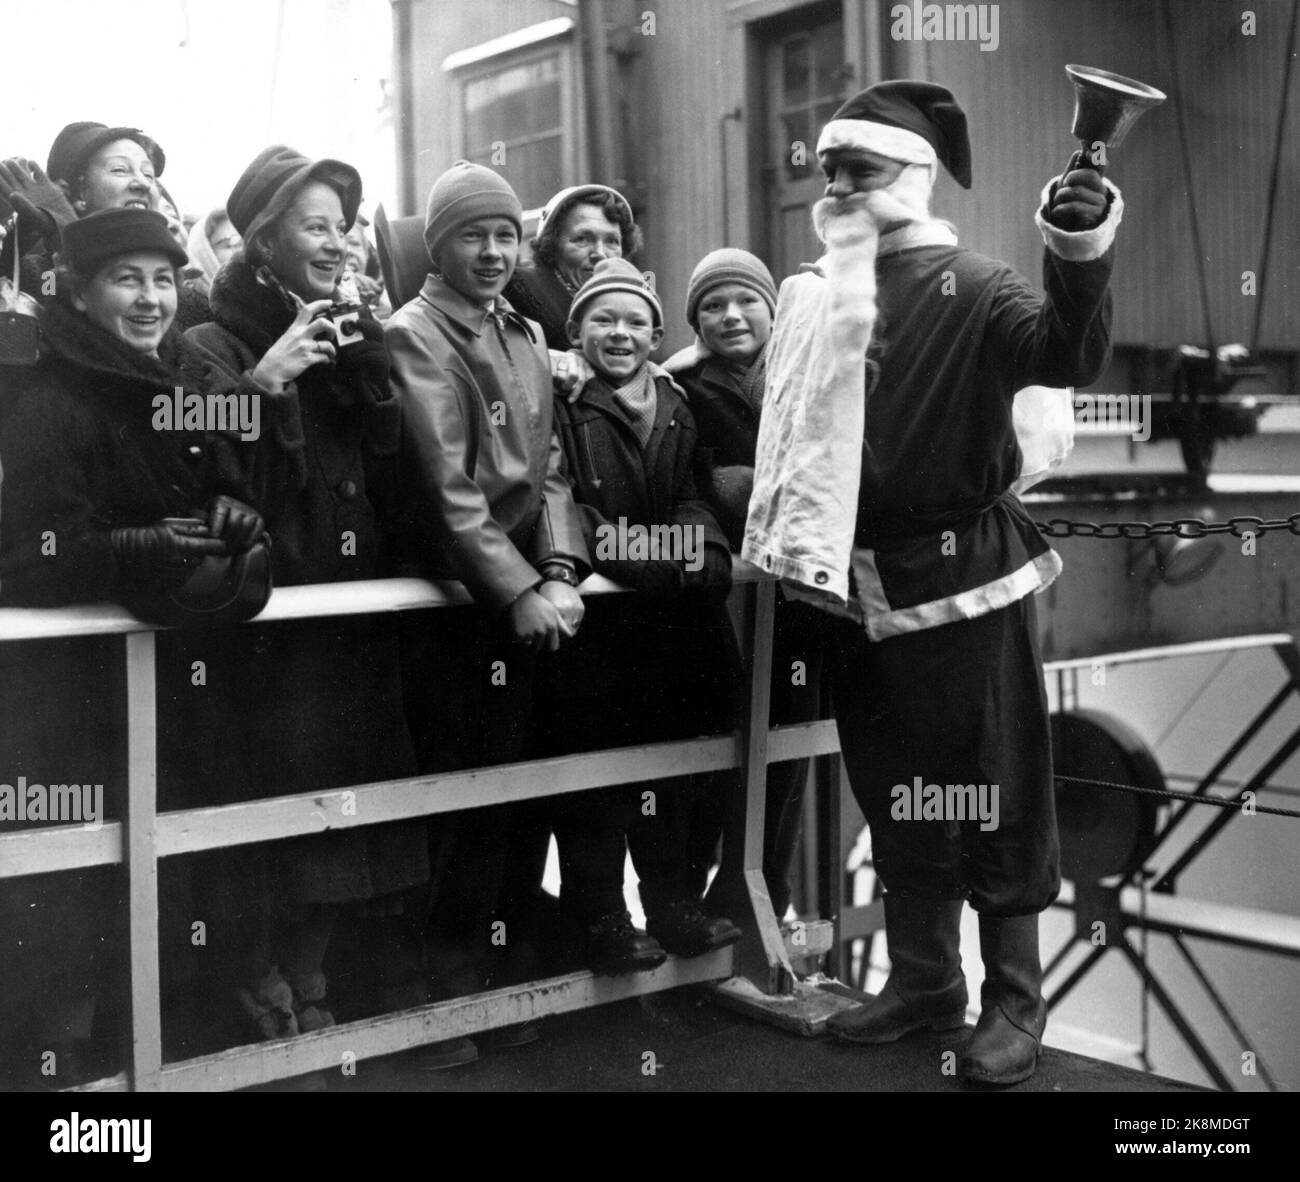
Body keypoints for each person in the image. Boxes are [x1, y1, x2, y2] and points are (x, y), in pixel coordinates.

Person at [744, 81, 1119, 1085]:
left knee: (994, 788)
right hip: (853, 592)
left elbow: (1062, 353)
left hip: (967, 587)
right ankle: (921, 986)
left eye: (855, 170)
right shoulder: (818, 293)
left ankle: (1014, 1004)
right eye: (827, 171)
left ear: (908, 179)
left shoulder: (979, 282)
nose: (834, 187)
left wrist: (1075, 253)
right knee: (895, 789)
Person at [0, 208, 261, 1084]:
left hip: (178, 682)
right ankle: (71, 1078)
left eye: (161, 278)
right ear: (78, 290)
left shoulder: (187, 377)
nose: (150, 299)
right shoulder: (45, 398)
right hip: (72, 697)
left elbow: (232, 478)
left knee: (172, 873)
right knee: (77, 884)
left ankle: (161, 1052)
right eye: (125, 280)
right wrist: (135, 549)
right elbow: (27, 561)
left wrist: (236, 510)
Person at [183, 145, 429, 1044]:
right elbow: (200, 480)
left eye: (345, 226)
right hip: (269, 634)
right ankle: (257, 985)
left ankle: (313, 975)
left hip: (351, 622)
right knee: (271, 823)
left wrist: (375, 378)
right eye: (314, 226)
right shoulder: (207, 340)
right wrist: (263, 386)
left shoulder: (352, 330)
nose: (338, 244)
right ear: (260, 242)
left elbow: (396, 480)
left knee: (349, 820)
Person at [385, 161, 589, 1063]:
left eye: (507, 234)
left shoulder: (525, 331)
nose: (496, 251)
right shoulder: (417, 334)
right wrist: (514, 589)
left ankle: (499, 982)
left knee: (515, 808)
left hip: (525, 603)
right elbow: (446, 487)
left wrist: (558, 569)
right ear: (440, 246)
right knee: (458, 810)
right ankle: (445, 1000)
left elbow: (547, 470)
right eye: (475, 235)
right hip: (458, 611)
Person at [541, 257, 741, 970]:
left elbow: (693, 493)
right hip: (599, 637)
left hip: (668, 637)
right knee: (598, 784)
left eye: (634, 321)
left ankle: (671, 905)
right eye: (603, 319)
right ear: (575, 331)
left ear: (657, 336)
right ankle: (602, 918)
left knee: (671, 777)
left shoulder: (676, 405)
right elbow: (569, 508)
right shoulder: (560, 400)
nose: (619, 333)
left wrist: (703, 545)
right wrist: (667, 560)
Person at [668, 248, 828, 922]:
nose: (731, 316)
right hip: (723, 593)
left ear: (772, 310)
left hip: (797, 591)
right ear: (696, 321)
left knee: (790, 739)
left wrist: (747, 483)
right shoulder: (681, 388)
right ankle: (692, 886)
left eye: (745, 302)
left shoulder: (807, 373)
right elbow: (696, 483)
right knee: (715, 737)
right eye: (712, 306)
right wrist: (742, 488)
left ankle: (757, 883)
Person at [0, 122, 166, 301]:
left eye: (149, 174)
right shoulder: (46, 276)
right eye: (120, 170)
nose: (144, 183)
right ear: (78, 194)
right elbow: (53, 306)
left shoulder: (179, 285)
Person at [504, 183, 642, 353]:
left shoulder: (632, 304)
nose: (600, 253)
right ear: (552, 245)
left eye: (612, 241)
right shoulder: (522, 289)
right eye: (583, 239)